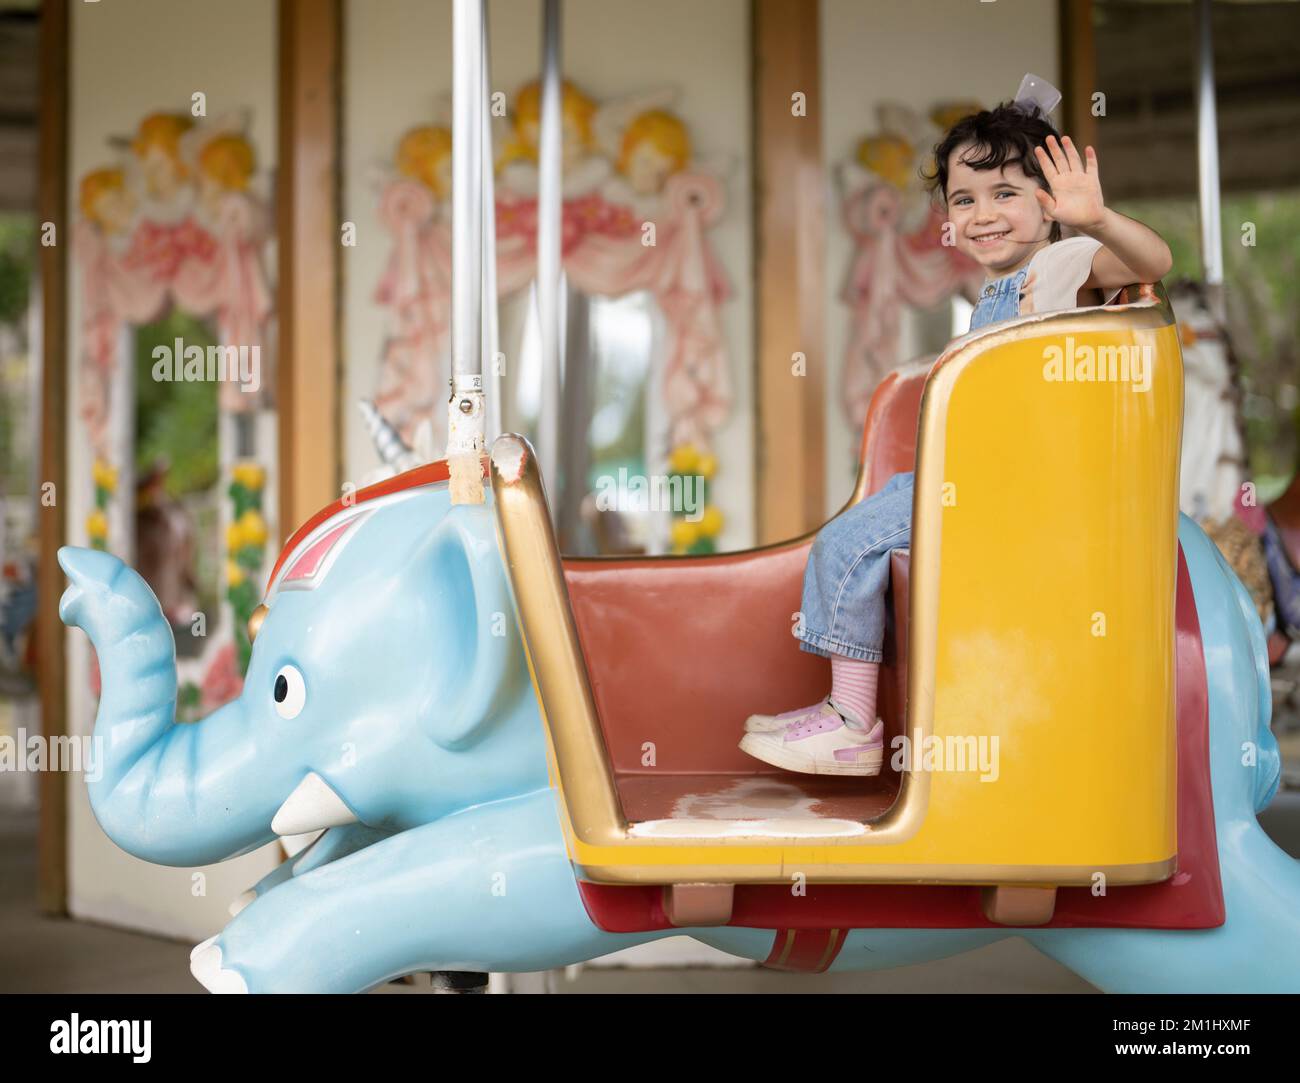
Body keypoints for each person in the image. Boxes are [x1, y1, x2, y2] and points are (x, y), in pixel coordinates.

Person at [739, 77, 1174, 776]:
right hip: (976, 478)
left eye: (1006, 194)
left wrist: (1096, 220)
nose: (982, 214)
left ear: (1049, 203)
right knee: (856, 529)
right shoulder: (994, 291)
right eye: (963, 200)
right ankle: (843, 711)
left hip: (1016, 491)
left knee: (846, 543)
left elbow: (1153, 262)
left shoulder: (1063, 264)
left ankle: (852, 724)